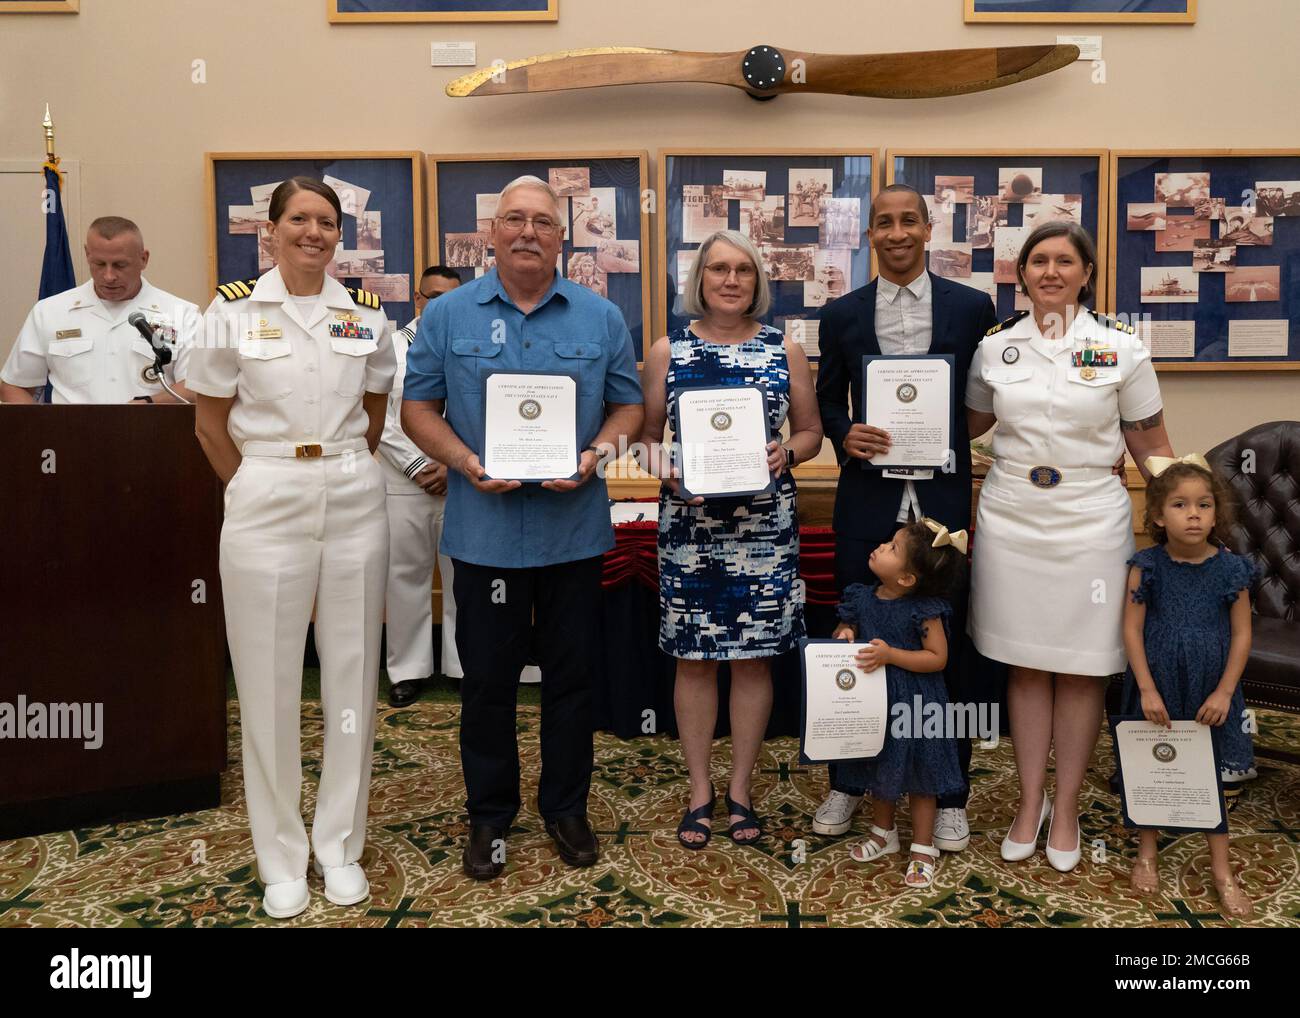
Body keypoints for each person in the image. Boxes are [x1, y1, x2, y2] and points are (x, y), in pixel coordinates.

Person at [401, 175, 643, 880]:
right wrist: (464, 461)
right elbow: (418, 408)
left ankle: (566, 808)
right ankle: (489, 816)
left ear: (562, 238)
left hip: (573, 532)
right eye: (514, 219)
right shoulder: (448, 316)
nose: (528, 231)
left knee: (573, 681)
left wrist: (598, 454)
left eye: (542, 221)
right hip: (484, 534)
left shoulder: (600, 318)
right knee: (488, 684)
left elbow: (628, 410)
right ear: (491, 234)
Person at [188, 177, 396, 919]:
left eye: (328, 223)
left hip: (349, 493)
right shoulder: (231, 311)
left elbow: (373, 413)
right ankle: (280, 856)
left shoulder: (364, 315)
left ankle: (338, 843)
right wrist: (257, 483)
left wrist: (333, 468)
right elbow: (210, 423)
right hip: (265, 492)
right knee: (269, 684)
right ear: (269, 230)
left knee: (349, 677)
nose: (315, 232)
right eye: (300, 220)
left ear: (341, 236)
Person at [964, 220, 1175, 872]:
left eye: (1064, 261)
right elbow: (964, 427)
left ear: (1086, 272)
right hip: (1012, 517)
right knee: (1025, 665)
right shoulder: (995, 348)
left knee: (1083, 667)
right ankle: (1029, 803)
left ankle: (1069, 805)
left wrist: (1191, 519)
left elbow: (1152, 446)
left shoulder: (1120, 347)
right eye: (1038, 261)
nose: (1050, 271)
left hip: (1089, 521)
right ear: (1021, 274)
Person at [814, 184, 996, 853]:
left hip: (944, 500)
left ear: (927, 229)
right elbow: (828, 399)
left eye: (907, 221)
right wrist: (845, 432)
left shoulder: (974, 308)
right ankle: (849, 781)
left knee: (948, 650)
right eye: (882, 223)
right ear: (870, 236)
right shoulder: (842, 314)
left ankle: (949, 792)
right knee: (855, 637)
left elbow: (984, 396)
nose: (896, 232)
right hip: (868, 501)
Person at [639, 229, 822, 849]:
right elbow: (643, 439)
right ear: (700, 280)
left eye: (743, 270)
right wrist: (662, 466)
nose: (731, 279)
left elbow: (812, 432)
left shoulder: (784, 350)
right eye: (718, 268)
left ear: (757, 282)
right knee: (693, 659)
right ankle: (700, 791)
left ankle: (740, 788)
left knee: (752, 659)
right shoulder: (668, 349)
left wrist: (784, 453)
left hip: (764, 530)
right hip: (689, 529)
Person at [1118, 455, 1256, 918]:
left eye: (1204, 504)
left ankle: (1222, 870)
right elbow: (1132, 631)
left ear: (1217, 513)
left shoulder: (1232, 570)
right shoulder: (1146, 565)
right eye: (1179, 505)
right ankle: (1147, 853)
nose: (1193, 514)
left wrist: (1223, 692)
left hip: (1209, 687)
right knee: (1155, 771)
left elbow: (1242, 635)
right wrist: (1146, 689)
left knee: (1208, 772)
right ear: (1157, 516)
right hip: (1158, 685)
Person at [835, 519, 967, 888]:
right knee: (880, 768)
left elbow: (937, 657)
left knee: (922, 777)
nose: (881, 546)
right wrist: (845, 634)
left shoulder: (924, 610)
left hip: (919, 705)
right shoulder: (863, 597)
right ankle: (883, 832)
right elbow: (846, 631)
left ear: (907, 578)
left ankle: (923, 847)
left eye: (893, 547)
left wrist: (893, 655)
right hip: (877, 700)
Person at [379, 266, 462, 709]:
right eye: (432, 297)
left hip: (460, 481)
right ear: (417, 299)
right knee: (405, 578)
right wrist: (416, 465)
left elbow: (478, 414)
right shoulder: (390, 349)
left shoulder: (470, 347)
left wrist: (452, 465)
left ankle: (462, 666)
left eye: (450, 298)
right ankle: (407, 670)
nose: (440, 306)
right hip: (403, 482)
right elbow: (379, 419)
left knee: (462, 580)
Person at [1, 217, 196, 404]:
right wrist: (42, 433)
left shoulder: (181, 314)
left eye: (120, 265)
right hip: (70, 435)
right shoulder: (50, 311)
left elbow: (197, 386)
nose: (109, 276)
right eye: (99, 264)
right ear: (87, 255)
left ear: (143, 259)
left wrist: (148, 405)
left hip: (153, 433)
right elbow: (15, 386)